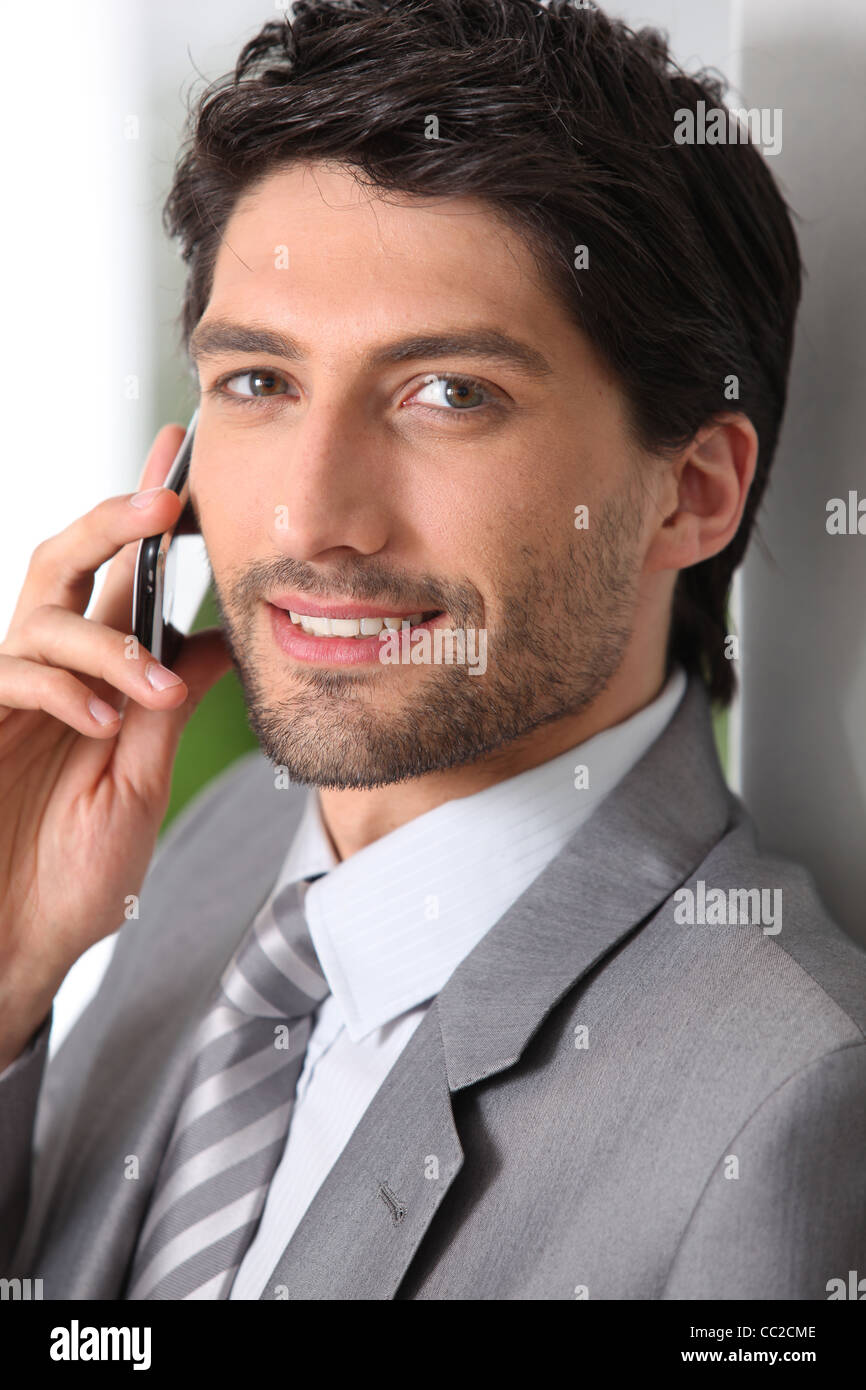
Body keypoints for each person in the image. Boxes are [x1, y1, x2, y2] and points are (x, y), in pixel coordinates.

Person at [1, 0, 864, 1302]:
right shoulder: (222, 845)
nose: (307, 519)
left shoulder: (789, 1102)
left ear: (689, 489)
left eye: (447, 393)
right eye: (258, 382)